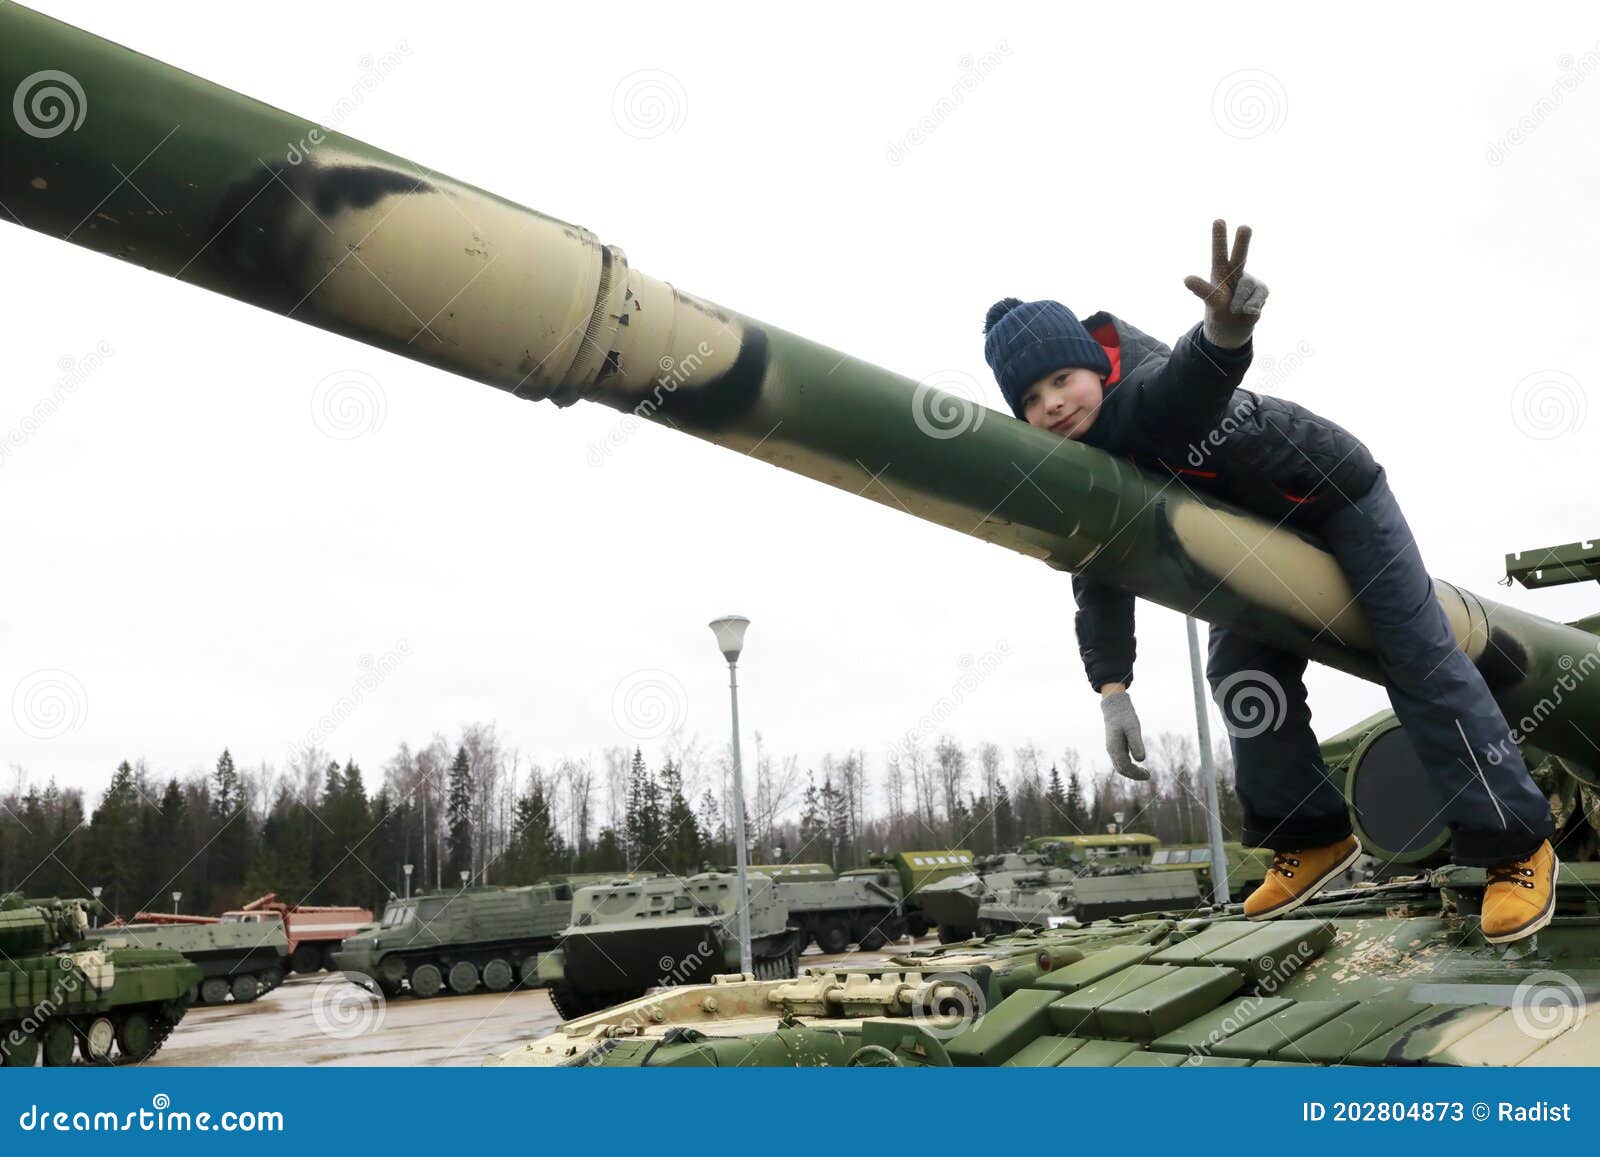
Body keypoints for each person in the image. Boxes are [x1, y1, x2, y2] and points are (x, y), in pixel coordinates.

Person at [981, 219, 1557, 944]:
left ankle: (1516, 845)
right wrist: (1113, 688)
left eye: (1062, 379)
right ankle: (1312, 835)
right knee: (1239, 674)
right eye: (1031, 399)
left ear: (1097, 365)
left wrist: (1224, 330)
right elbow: (1098, 568)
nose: (1053, 404)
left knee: (1413, 651)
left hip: (1331, 494)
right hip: (1253, 541)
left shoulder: (1144, 399)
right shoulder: (1083, 463)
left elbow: (1190, 382)